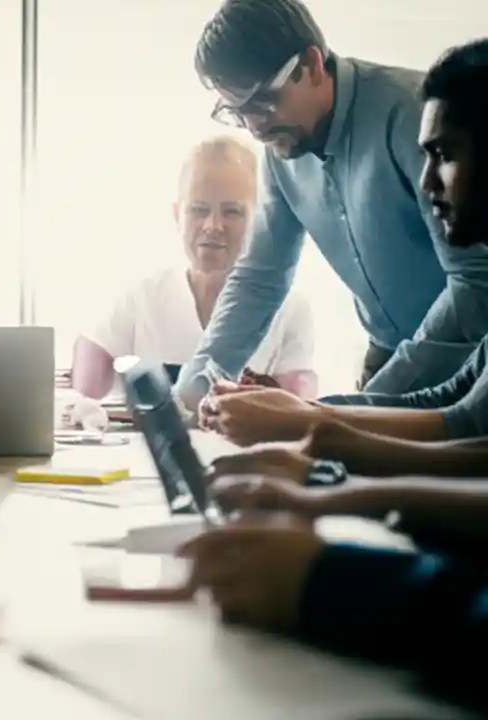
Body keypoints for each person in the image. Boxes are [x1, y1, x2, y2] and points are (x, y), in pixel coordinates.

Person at [184, 43, 488, 705]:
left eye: (444, 155)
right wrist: (317, 453)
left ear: (312, 65)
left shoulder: (397, 108)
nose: (426, 183)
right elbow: (466, 427)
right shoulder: (282, 154)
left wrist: (325, 566)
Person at [174, 0, 488, 415]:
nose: (255, 127)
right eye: (236, 112)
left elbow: (474, 279)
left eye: (263, 102)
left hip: (466, 361)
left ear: (312, 64)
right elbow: (259, 279)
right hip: (388, 358)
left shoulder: (410, 114)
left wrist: (350, 409)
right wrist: (192, 391)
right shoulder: (280, 149)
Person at [72, 135, 316, 400]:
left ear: (259, 219)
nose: (213, 226)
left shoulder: (292, 309)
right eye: (199, 210)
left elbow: (298, 410)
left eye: (231, 212)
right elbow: (81, 399)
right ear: (177, 215)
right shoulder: (136, 297)